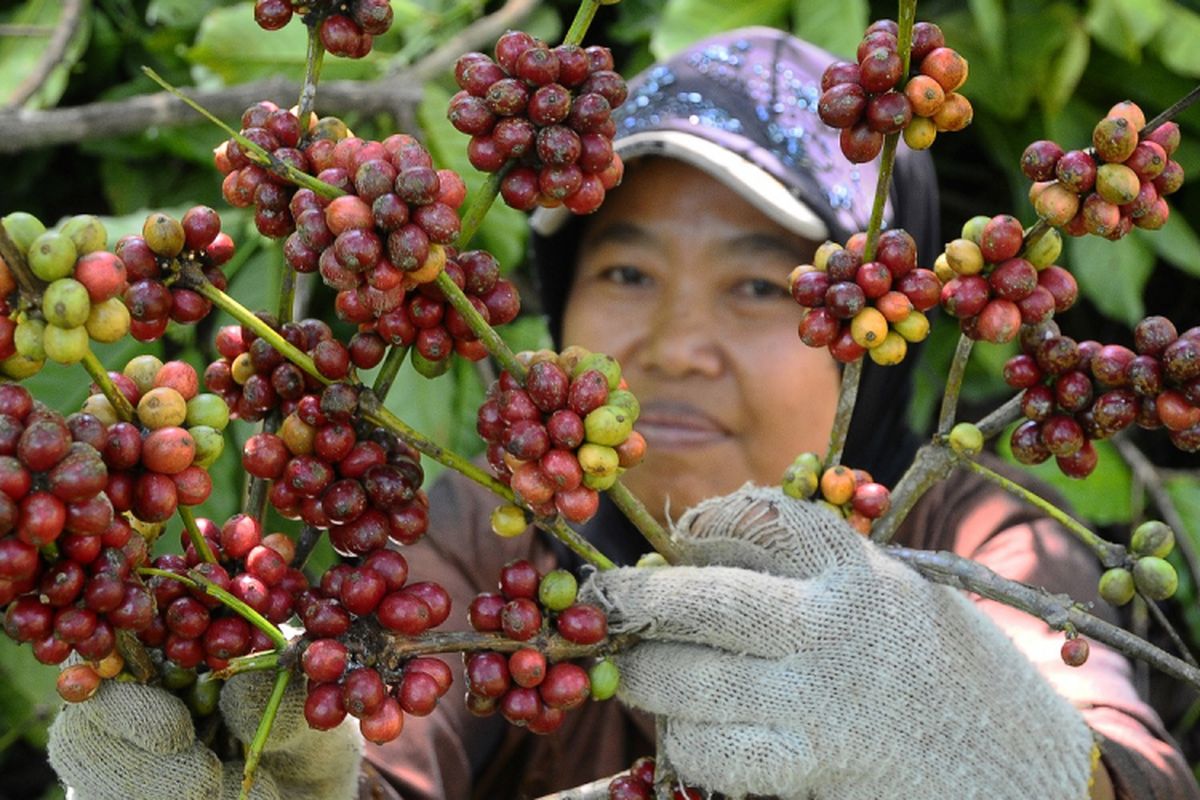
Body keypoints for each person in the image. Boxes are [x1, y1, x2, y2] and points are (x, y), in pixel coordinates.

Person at [46, 27, 1199, 800]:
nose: (672, 346)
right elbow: (389, 741)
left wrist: (1004, 749)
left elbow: (1129, 759)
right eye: (628, 273)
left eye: (762, 285)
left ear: (880, 334)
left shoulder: (971, 522)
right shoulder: (489, 522)